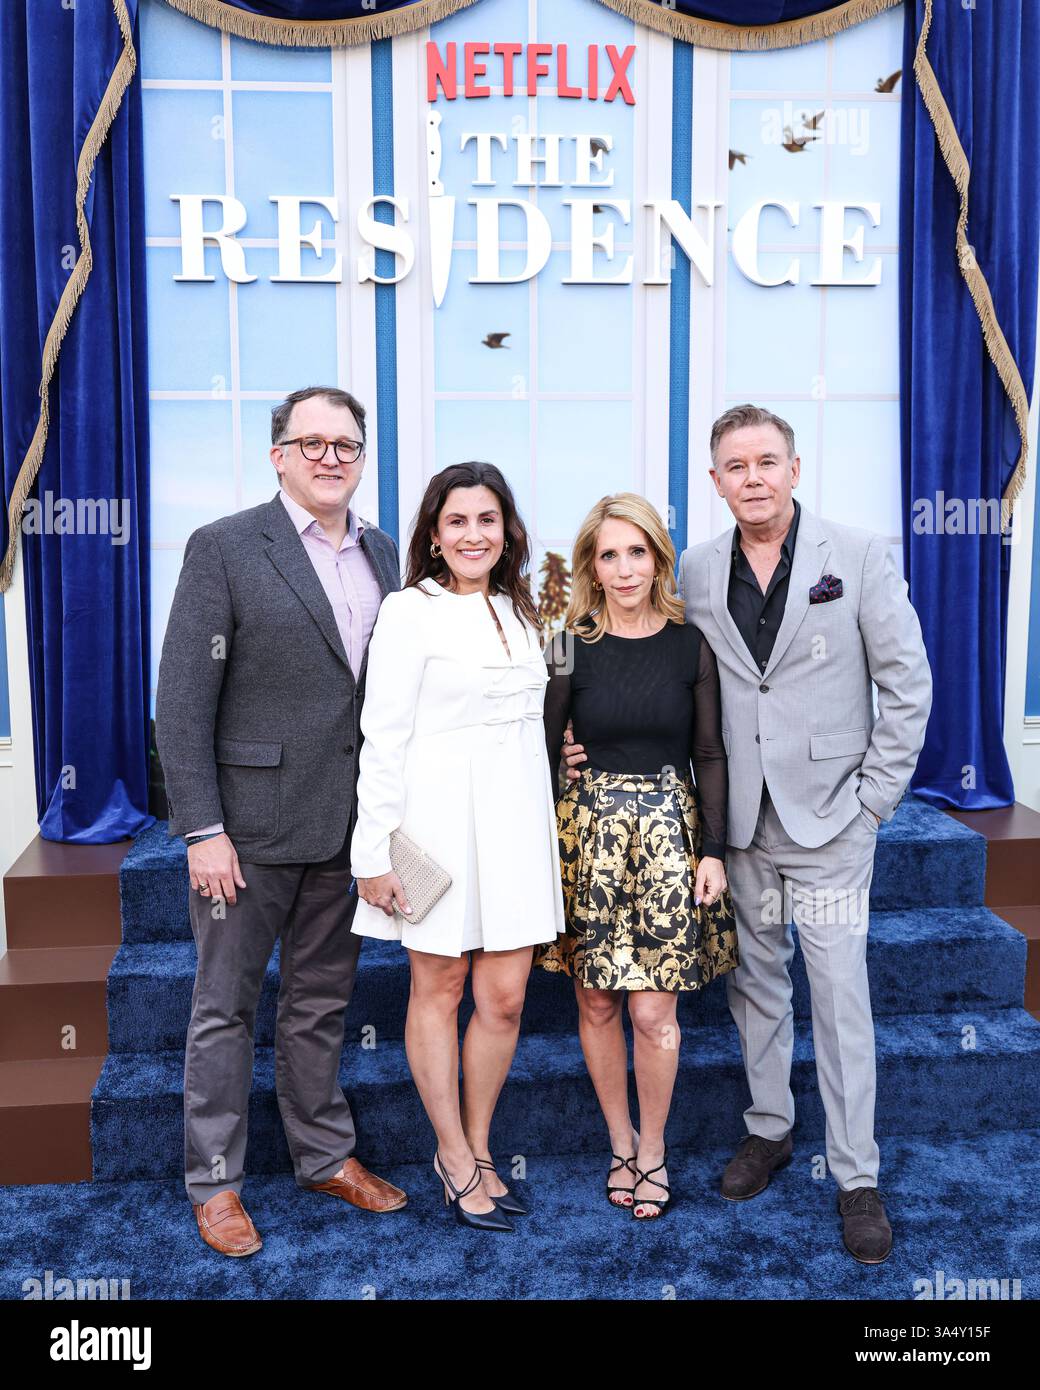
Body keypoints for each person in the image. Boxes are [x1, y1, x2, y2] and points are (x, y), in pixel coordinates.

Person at [667, 403, 930, 1263]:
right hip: (739, 822)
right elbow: (676, 680)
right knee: (758, 992)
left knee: (841, 999)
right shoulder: (697, 569)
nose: (753, 478)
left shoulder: (854, 556)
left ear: (794, 469)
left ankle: (856, 1175)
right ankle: (771, 1128)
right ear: (716, 482)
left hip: (832, 823)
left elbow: (907, 684)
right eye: (735, 466)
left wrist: (875, 804)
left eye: (766, 462)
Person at [155, 385, 407, 1258]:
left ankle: (325, 1156)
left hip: (344, 830)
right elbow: (182, 706)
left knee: (320, 1005)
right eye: (312, 443)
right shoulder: (224, 546)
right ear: (279, 455)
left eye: (345, 444)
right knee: (225, 1009)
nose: (330, 457)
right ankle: (216, 1185)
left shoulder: (383, 551)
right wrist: (201, 831)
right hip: (247, 834)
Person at [349, 462, 566, 1233]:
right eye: (457, 522)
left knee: (504, 997)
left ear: (506, 530)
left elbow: (527, 717)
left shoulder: (521, 607)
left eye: (487, 520)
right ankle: (452, 1155)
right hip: (435, 823)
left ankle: (478, 1145)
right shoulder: (409, 610)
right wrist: (372, 852)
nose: (474, 534)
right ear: (434, 537)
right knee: (439, 991)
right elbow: (383, 735)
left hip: (515, 824)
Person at [537, 493, 737, 1220]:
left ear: (658, 557)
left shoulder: (692, 643)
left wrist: (712, 850)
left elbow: (709, 752)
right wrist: (561, 760)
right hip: (587, 838)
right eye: (609, 553)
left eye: (637, 552)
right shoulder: (568, 642)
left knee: (653, 1013)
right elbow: (539, 749)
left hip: (668, 839)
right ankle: (618, 1141)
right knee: (595, 999)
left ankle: (653, 1148)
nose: (624, 569)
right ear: (593, 562)